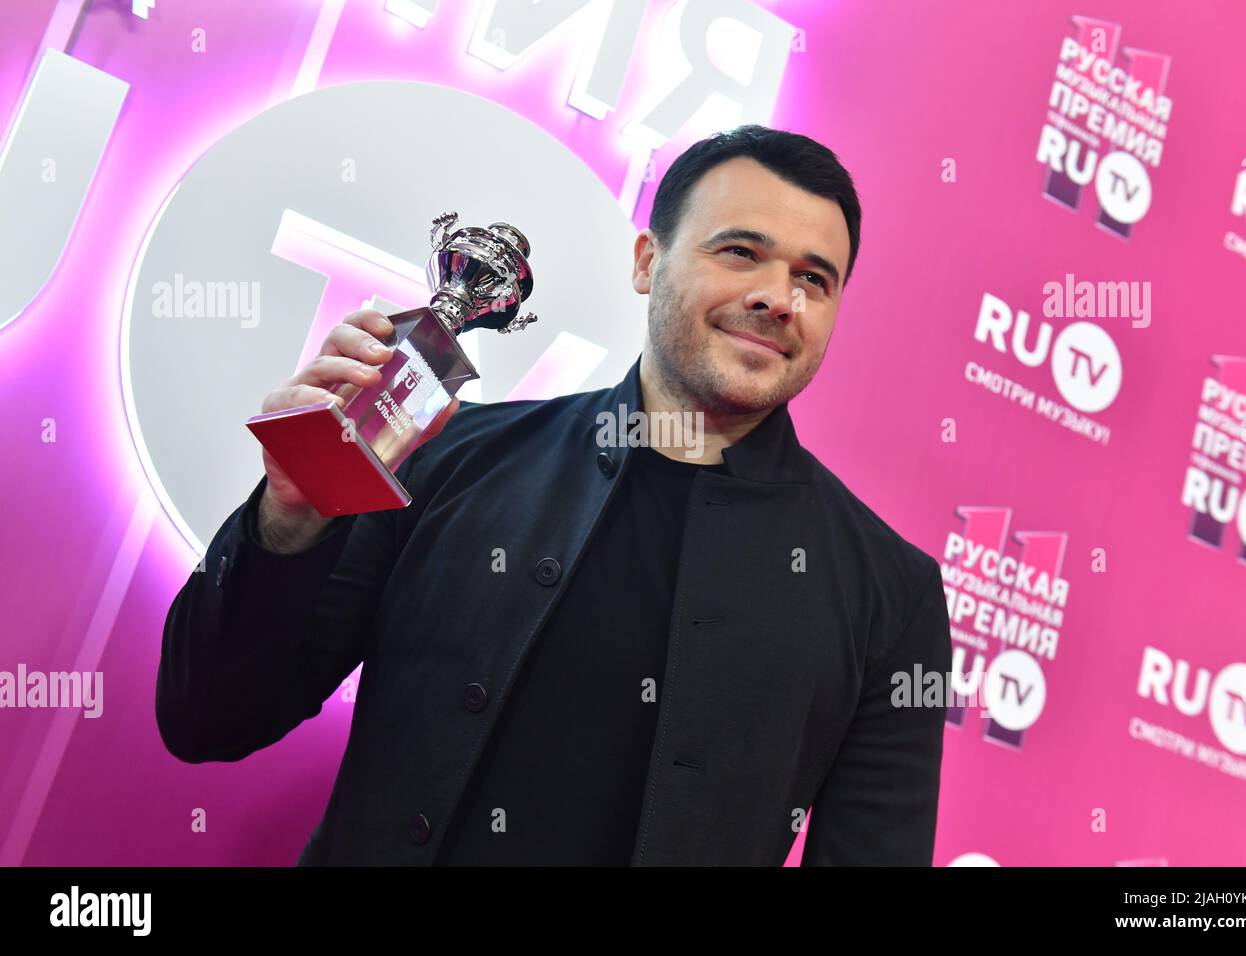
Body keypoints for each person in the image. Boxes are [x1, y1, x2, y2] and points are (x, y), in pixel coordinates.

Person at [156, 124, 953, 866]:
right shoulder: (449, 459)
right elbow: (208, 717)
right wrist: (286, 523)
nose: (781, 298)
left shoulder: (889, 596)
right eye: (741, 252)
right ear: (647, 262)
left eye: (814, 277)